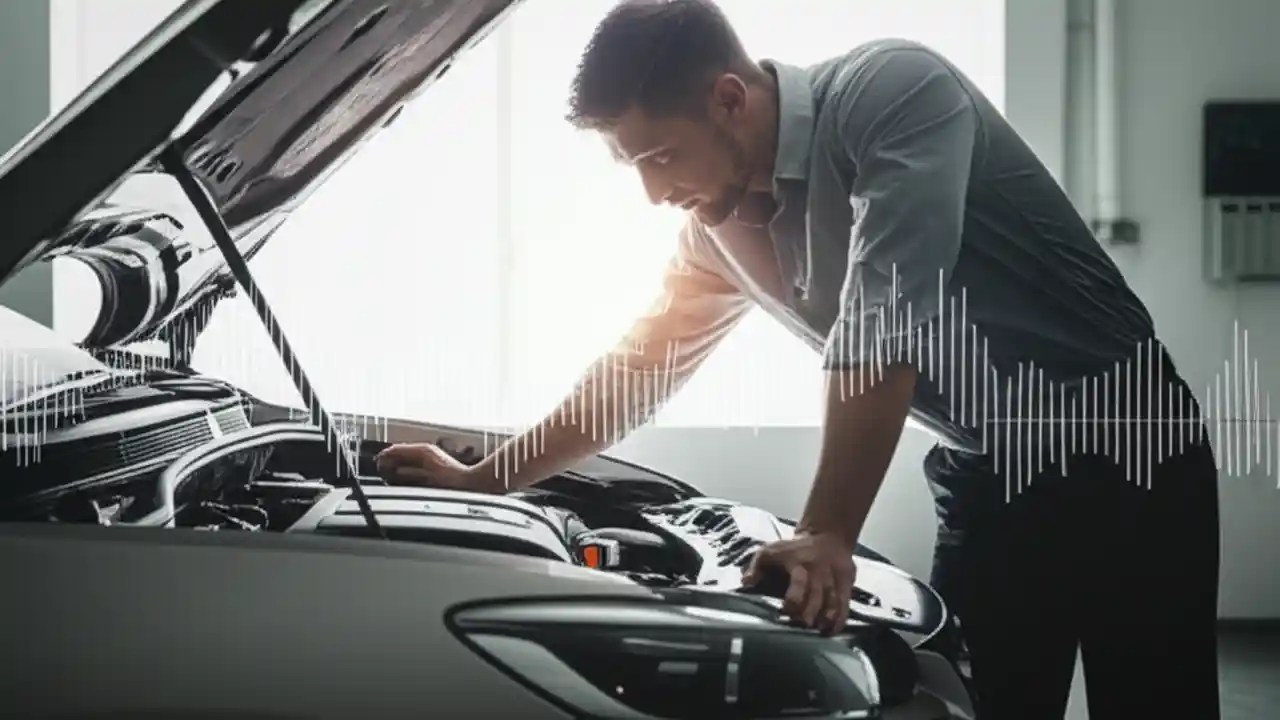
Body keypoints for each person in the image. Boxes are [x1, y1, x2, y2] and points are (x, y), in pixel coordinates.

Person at [377, 1, 1221, 717]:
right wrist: (486, 479)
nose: (653, 193)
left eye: (659, 156)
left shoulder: (896, 92)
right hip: (988, 473)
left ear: (730, 97)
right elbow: (636, 372)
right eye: (629, 167)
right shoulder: (716, 232)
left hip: (1128, 451)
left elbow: (885, 315)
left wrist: (826, 534)